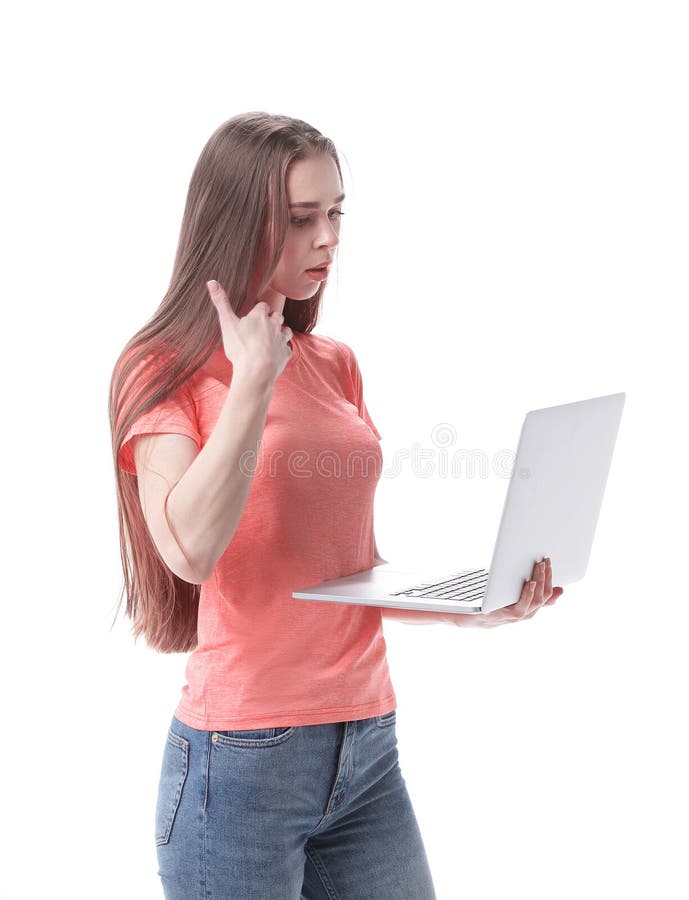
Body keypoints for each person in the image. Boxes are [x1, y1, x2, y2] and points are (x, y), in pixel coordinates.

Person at [108, 111, 563, 900]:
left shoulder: (335, 364)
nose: (329, 238)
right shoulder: (161, 368)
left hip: (367, 742)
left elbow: (351, 570)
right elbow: (189, 550)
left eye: (336, 214)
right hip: (244, 761)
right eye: (300, 219)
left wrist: (471, 606)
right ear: (237, 220)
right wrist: (252, 382)